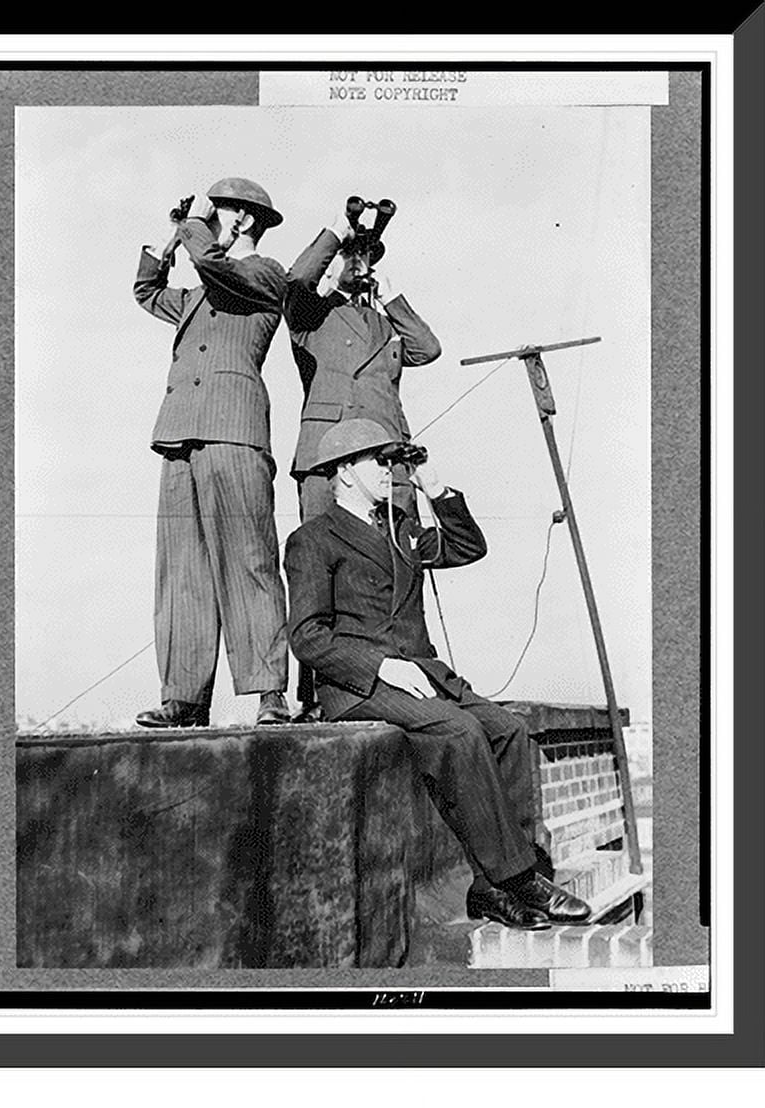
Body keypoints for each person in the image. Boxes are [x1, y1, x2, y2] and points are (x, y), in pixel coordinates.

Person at [283, 419, 591, 929]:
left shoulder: (401, 528)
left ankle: (490, 888)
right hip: (362, 684)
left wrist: (438, 491)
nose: (389, 470)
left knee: (508, 729)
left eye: (392, 460)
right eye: (376, 461)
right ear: (342, 471)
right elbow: (308, 636)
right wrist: (381, 665)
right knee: (460, 730)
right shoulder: (312, 540)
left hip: (422, 674)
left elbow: (467, 548)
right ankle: (520, 878)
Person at [132, 178, 290, 729]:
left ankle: (269, 690)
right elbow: (148, 292)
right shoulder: (198, 290)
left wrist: (196, 229)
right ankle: (184, 698)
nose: (205, 217)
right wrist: (173, 233)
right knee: (182, 572)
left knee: (248, 558)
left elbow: (218, 269)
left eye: (216, 211)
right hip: (180, 433)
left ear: (242, 219)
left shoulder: (265, 274)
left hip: (235, 431)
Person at [284, 203, 442, 713]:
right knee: (321, 582)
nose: (360, 268)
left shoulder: (384, 323)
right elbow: (296, 282)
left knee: (397, 569)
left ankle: (406, 677)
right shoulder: (312, 317)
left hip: (386, 462)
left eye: (367, 259)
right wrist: (335, 240)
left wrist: (391, 295)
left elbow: (429, 348)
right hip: (332, 460)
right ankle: (317, 697)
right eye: (353, 259)